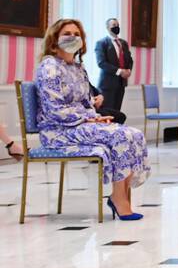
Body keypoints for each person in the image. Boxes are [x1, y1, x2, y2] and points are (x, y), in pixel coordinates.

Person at [34, 18, 150, 220]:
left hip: (81, 124)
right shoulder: (49, 66)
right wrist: (88, 119)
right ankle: (119, 200)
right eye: (67, 34)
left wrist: (95, 114)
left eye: (77, 34)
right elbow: (55, 110)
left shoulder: (78, 68)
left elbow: (86, 102)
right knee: (120, 137)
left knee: (135, 134)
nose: (73, 37)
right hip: (58, 130)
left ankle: (119, 195)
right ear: (54, 39)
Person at [93, 17, 133, 113]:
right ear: (107, 28)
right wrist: (119, 71)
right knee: (107, 113)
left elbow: (130, 60)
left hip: (121, 84)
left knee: (117, 113)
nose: (117, 27)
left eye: (118, 25)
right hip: (107, 85)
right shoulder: (102, 43)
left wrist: (129, 70)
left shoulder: (124, 43)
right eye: (114, 25)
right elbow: (101, 63)